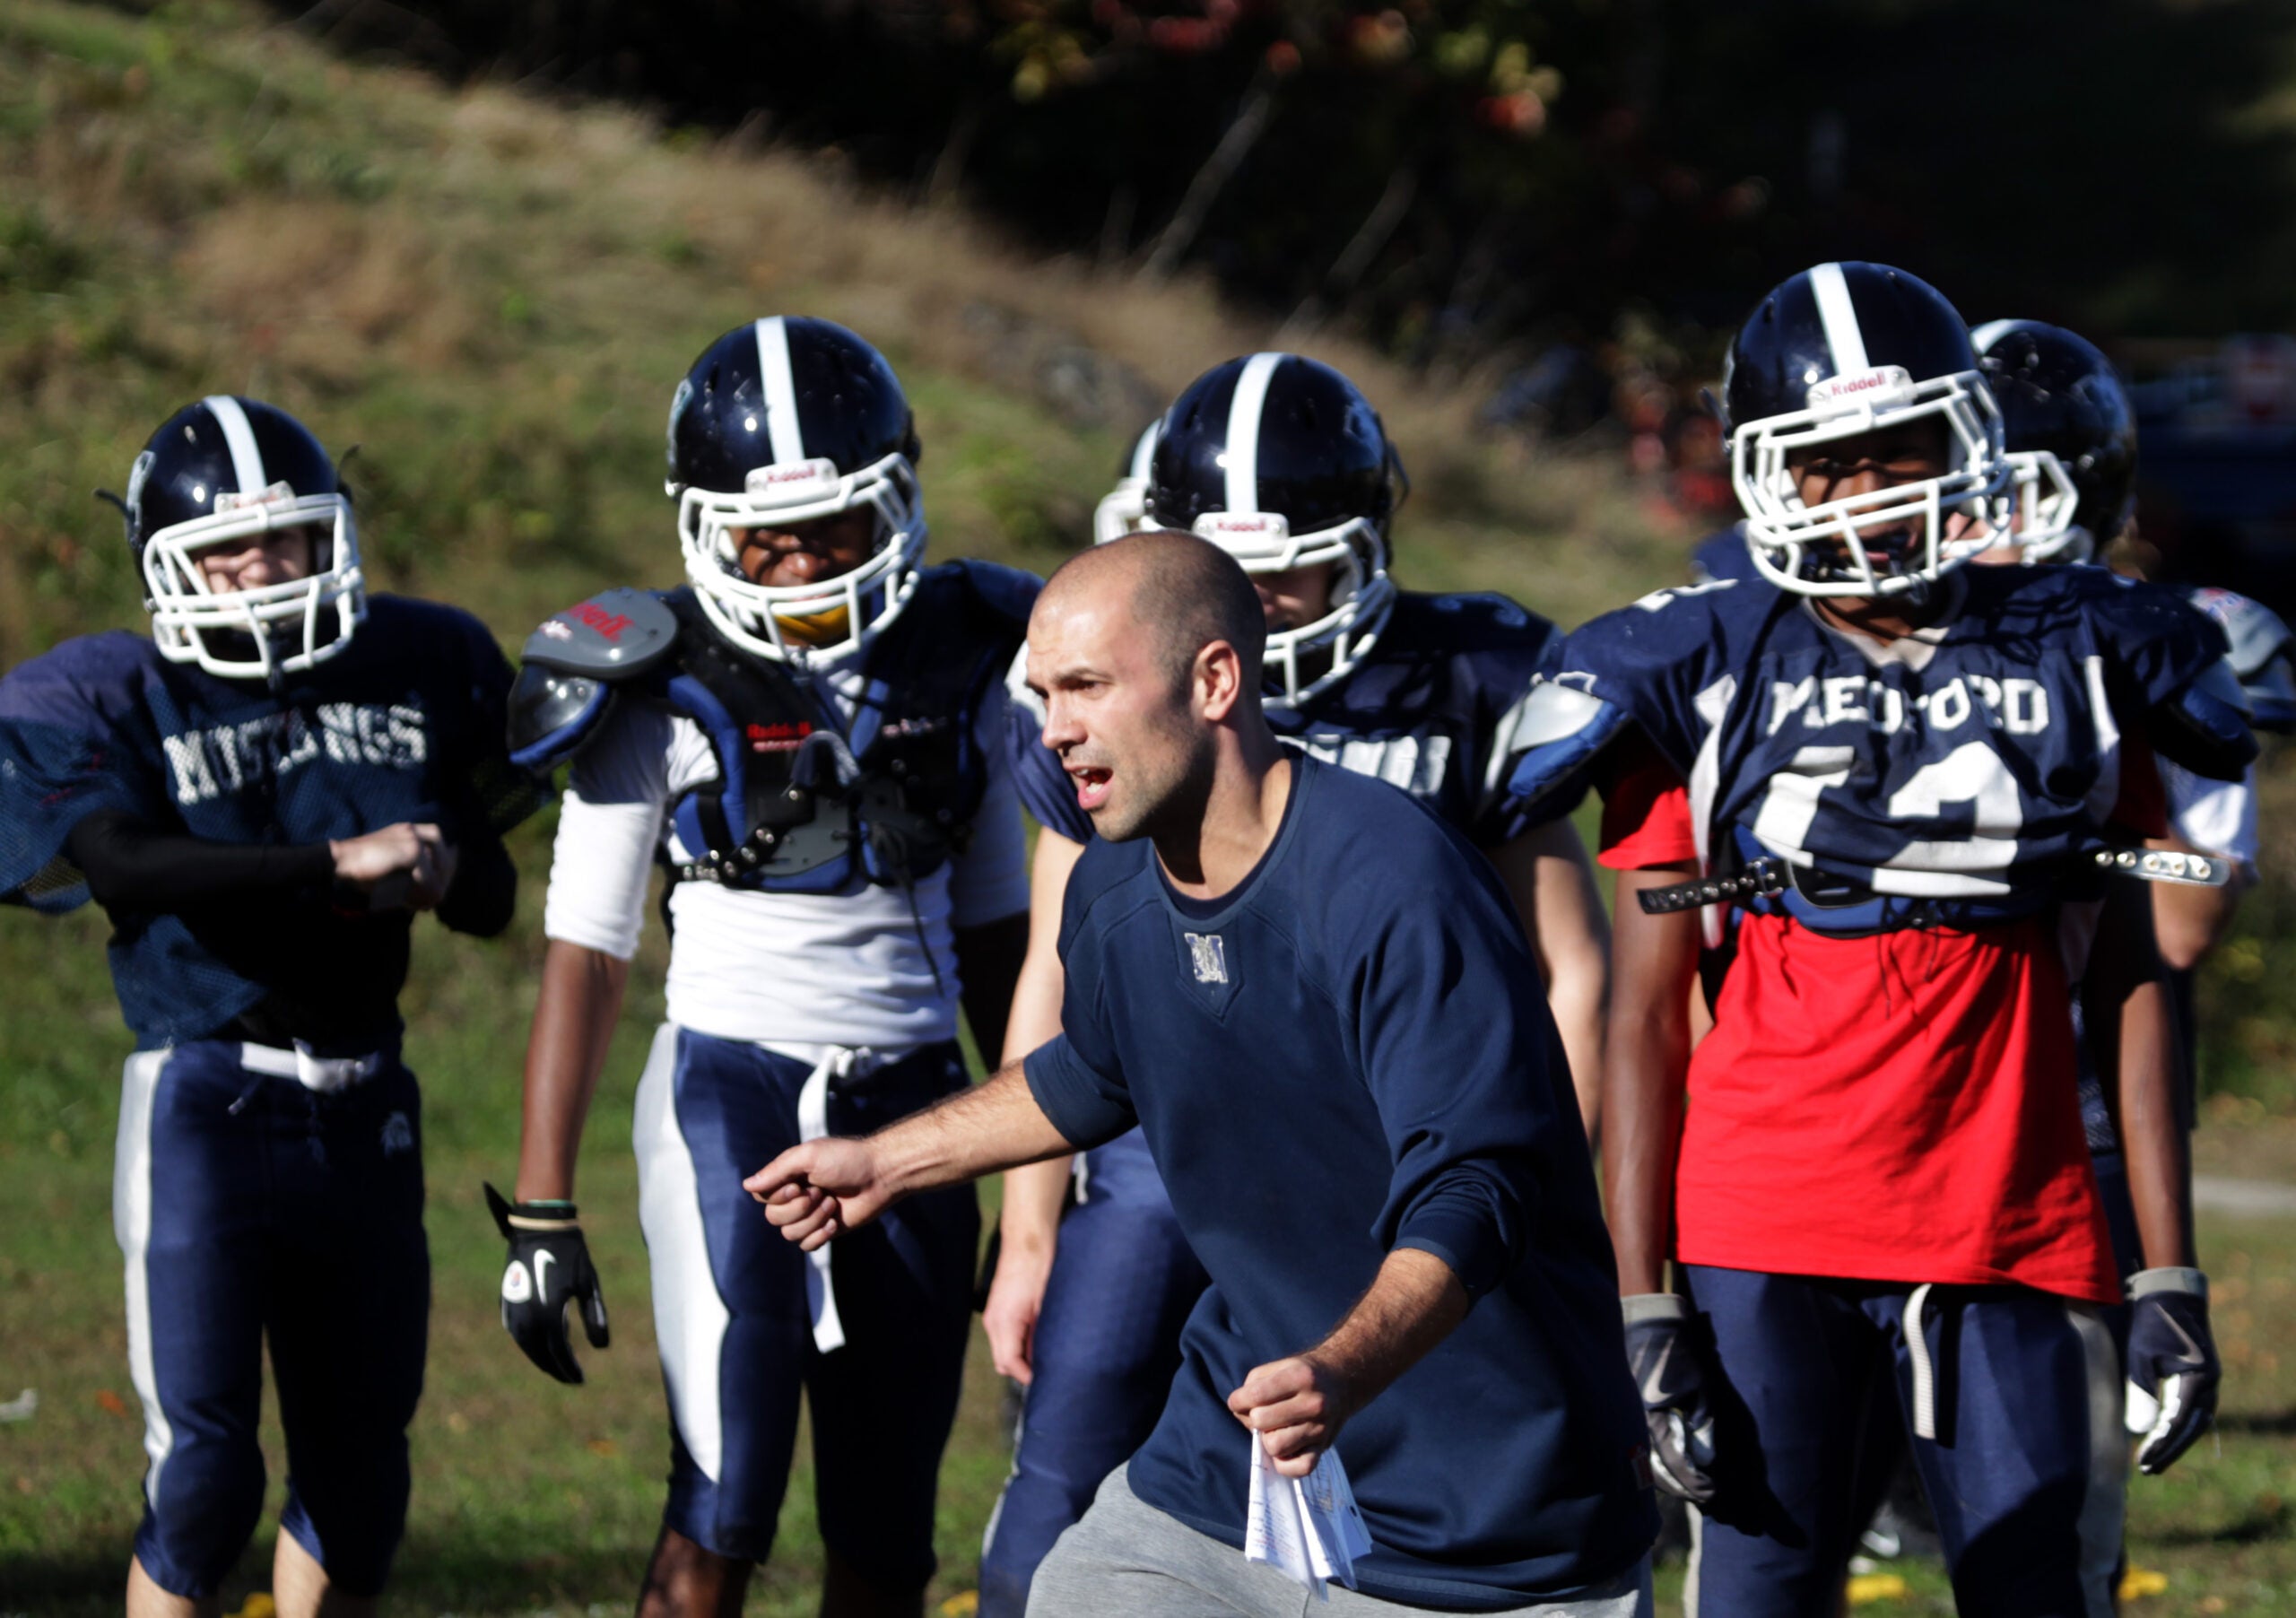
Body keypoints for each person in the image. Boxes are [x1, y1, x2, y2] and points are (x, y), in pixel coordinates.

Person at [1508, 264, 2248, 1615]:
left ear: (1969, 446)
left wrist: (2167, 1268)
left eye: (1897, 453)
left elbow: (2139, 970)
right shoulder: (1702, 674)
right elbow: (1644, 1013)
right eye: (1831, 465)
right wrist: (1645, 1299)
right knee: (1763, 1589)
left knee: (2036, 1590)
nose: (1869, 496)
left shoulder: (2079, 653)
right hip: (1760, 1227)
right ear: (1767, 478)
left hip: (2010, 1222)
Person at [750, 530, 1657, 1617]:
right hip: (1225, 1481)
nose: (1056, 732)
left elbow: (1478, 1188)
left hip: (1493, 1529)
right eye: (1044, 694)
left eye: (1086, 687)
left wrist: (1342, 1372)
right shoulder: (1112, 884)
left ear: (1216, 679)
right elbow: (1090, 1072)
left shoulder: (1393, 879)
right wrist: (887, 1161)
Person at [977, 352, 1613, 1617]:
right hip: (1167, 1154)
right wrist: (1031, 1229)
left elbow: (1567, 977)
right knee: (1053, 1516)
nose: (1265, 603)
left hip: (1386, 1164)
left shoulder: (1462, 684)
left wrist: (1541, 1217)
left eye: (1294, 573)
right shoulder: (1108, 710)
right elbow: (1061, 984)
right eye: (1236, 572)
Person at [491, 316, 1035, 1618]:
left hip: (920, 1107)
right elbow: (589, 954)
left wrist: (1038, 1184)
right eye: (767, 539)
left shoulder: (968, 660)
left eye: (834, 530)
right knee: (724, 1495)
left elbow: (1008, 947)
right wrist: (543, 1202)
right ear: (708, 531)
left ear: (893, 505)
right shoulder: (658, 681)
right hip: (727, 1097)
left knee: (890, 1520)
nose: (800, 566)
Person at [0, 396, 532, 1618]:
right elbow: (126, 864)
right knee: (205, 1480)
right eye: (223, 550)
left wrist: (451, 871)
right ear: (164, 568)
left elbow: (494, 896)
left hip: (366, 1100)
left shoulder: (419, 656)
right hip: (206, 1096)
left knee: (361, 1475)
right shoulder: (109, 687)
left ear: (327, 536)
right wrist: (329, 865)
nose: (258, 568)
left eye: (281, 540)